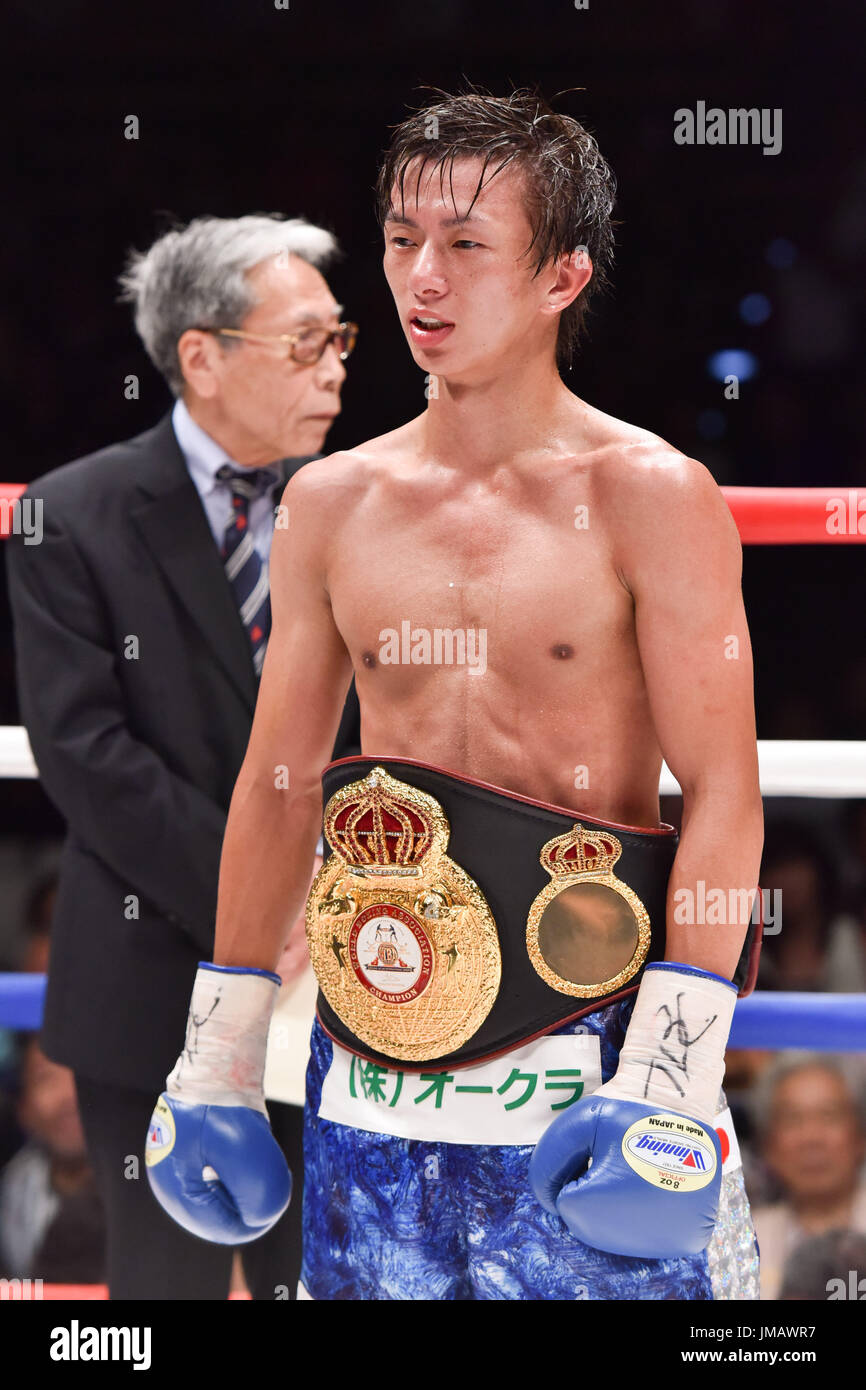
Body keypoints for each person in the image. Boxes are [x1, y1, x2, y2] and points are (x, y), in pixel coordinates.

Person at [147, 91, 764, 1301]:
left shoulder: (650, 493)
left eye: (465, 245)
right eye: (397, 238)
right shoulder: (330, 502)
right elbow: (280, 782)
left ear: (561, 276)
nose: (419, 278)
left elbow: (725, 791)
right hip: (370, 1064)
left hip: (586, 1070)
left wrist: (674, 1076)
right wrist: (215, 1053)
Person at [5, 214, 360, 1299]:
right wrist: (269, 897)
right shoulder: (72, 512)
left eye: (340, 339)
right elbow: (86, 754)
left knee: (334, 1279)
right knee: (164, 1297)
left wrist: (331, 900)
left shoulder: (363, 501)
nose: (336, 369)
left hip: (347, 978)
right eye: (304, 342)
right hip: (155, 970)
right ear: (200, 356)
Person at [751, 1054, 866, 1299]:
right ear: (768, 1145)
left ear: (860, 1137)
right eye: (792, 1119)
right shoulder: (745, 1240)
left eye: (829, 1115)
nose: (811, 1138)